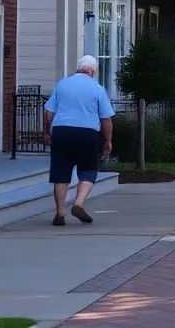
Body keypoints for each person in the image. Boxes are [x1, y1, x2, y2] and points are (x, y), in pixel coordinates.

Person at [43, 55, 114, 226]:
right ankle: (78, 203)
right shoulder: (97, 89)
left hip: (61, 132)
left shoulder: (62, 84)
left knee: (61, 174)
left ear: (78, 68)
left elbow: (48, 113)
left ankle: (59, 214)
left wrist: (47, 132)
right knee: (88, 170)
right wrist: (108, 140)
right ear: (91, 71)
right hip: (87, 133)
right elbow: (106, 119)